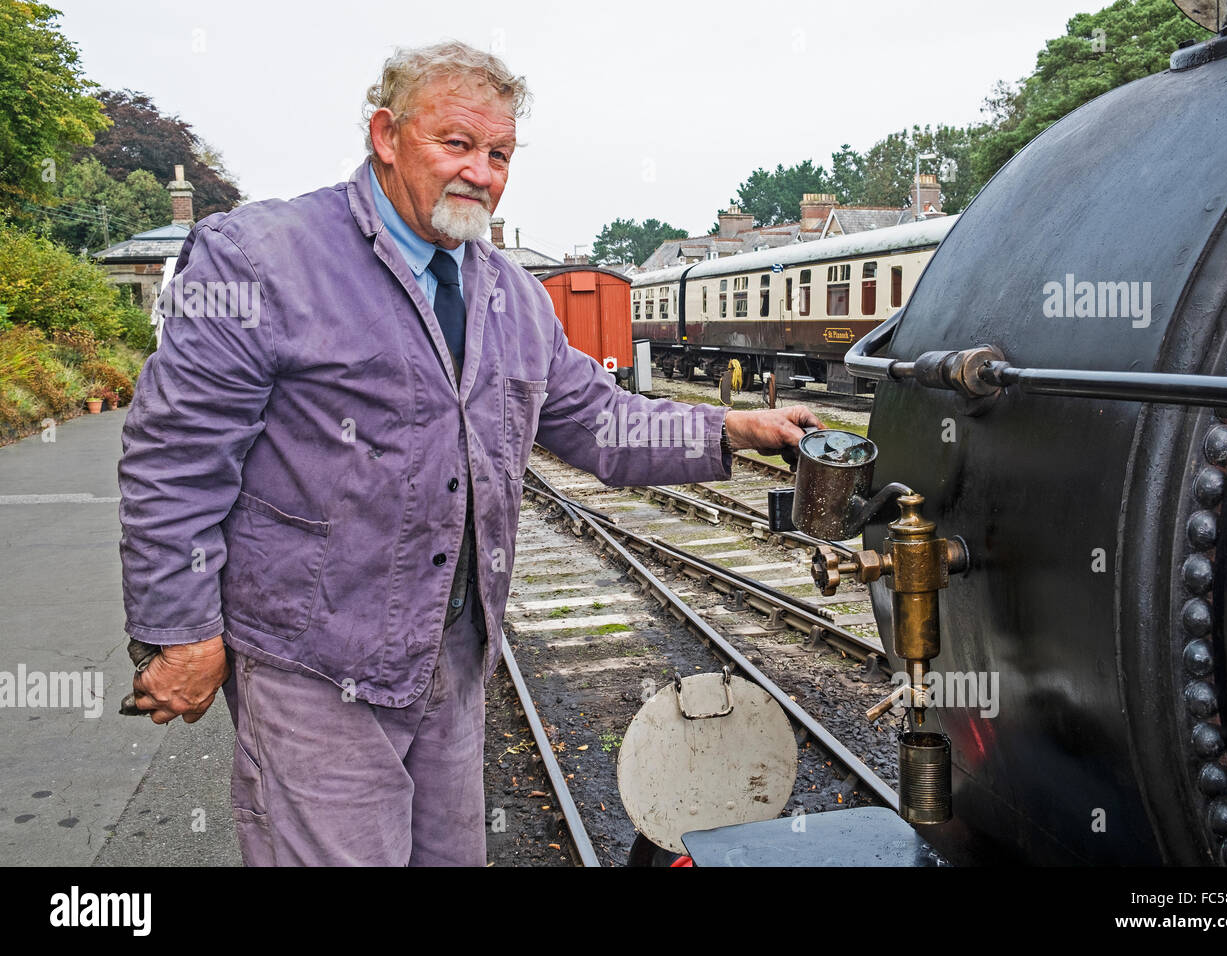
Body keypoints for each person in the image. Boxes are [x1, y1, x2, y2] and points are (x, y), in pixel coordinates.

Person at [118, 40, 820, 866]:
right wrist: (181, 632)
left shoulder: (510, 295)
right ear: (386, 135)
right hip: (313, 658)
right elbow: (176, 456)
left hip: (449, 654)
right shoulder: (262, 258)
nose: (480, 174)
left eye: (499, 155)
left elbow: (597, 421)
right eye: (456, 144)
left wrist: (728, 432)